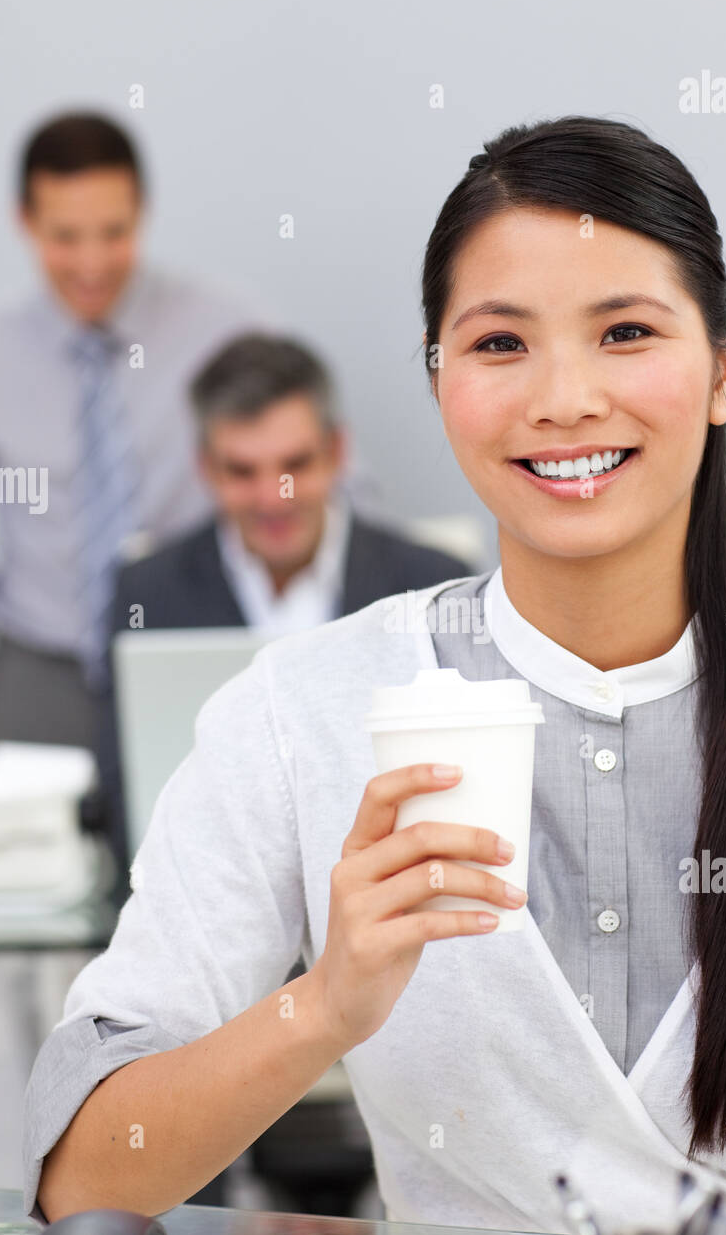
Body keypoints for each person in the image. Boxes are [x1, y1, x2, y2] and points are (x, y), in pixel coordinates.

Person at [24, 115, 726, 1235]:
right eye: (499, 344)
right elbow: (84, 1177)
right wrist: (320, 1009)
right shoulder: (302, 709)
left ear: (722, 361)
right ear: (435, 378)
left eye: (624, 330)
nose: (563, 398)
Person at [0, 111, 267, 765]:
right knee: (24, 863)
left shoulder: (227, 329)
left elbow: (317, 481)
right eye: (65, 236)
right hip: (39, 664)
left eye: (114, 233)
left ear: (143, 212)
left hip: (192, 650)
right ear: (23, 221)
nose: (91, 263)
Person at [98, 330, 475, 870]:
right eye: (242, 471)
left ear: (337, 453)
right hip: (210, 889)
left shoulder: (431, 582)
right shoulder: (146, 592)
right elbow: (124, 792)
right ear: (206, 468)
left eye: (295, 465)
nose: (274, 498)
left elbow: (459, 782)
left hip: (393, 891)